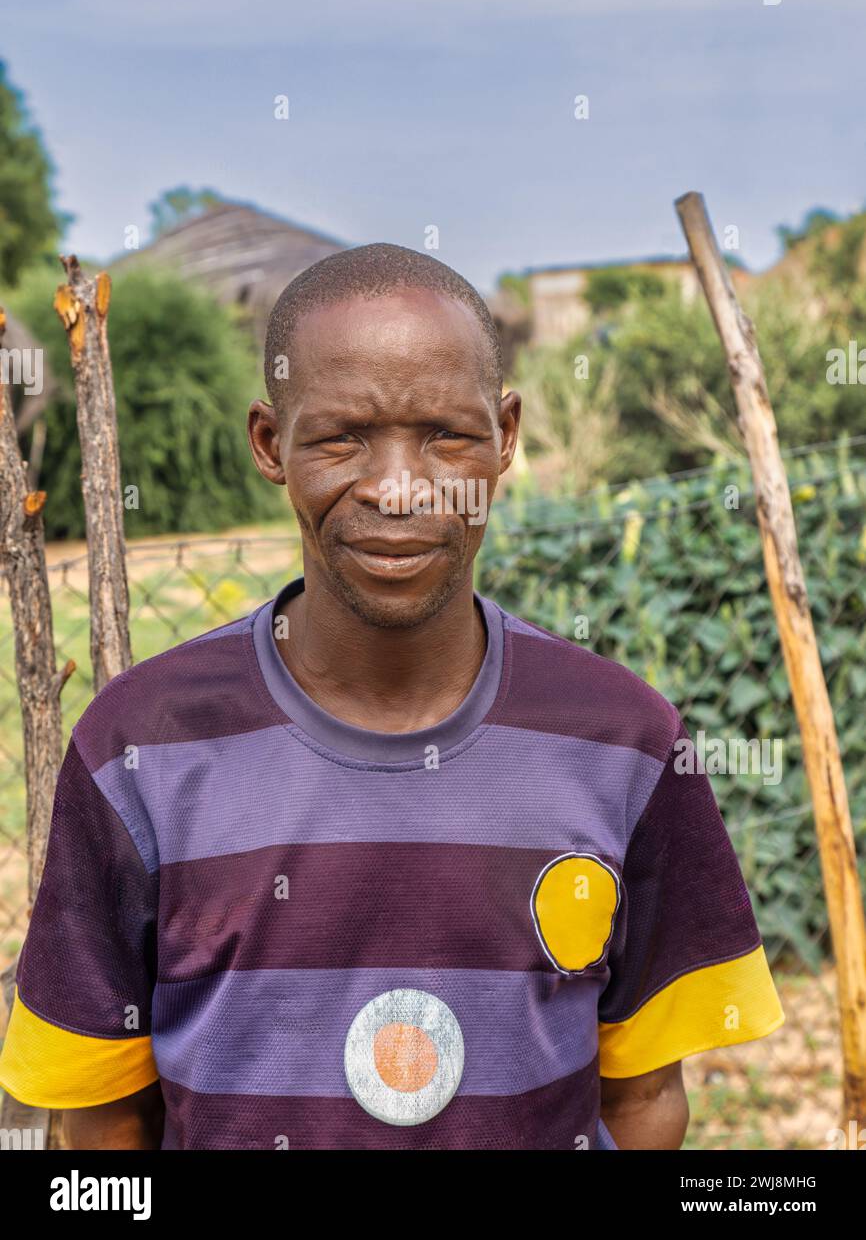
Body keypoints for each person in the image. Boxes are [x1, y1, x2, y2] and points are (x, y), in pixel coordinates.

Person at [0, 244, 784, 1149]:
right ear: (270, 445)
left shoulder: (625, 743)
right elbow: (98, 1117)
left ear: (506, 438)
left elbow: (643, 1101)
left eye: (447, 434)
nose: (402, 488)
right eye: (343, 437)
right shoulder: (138, 749)